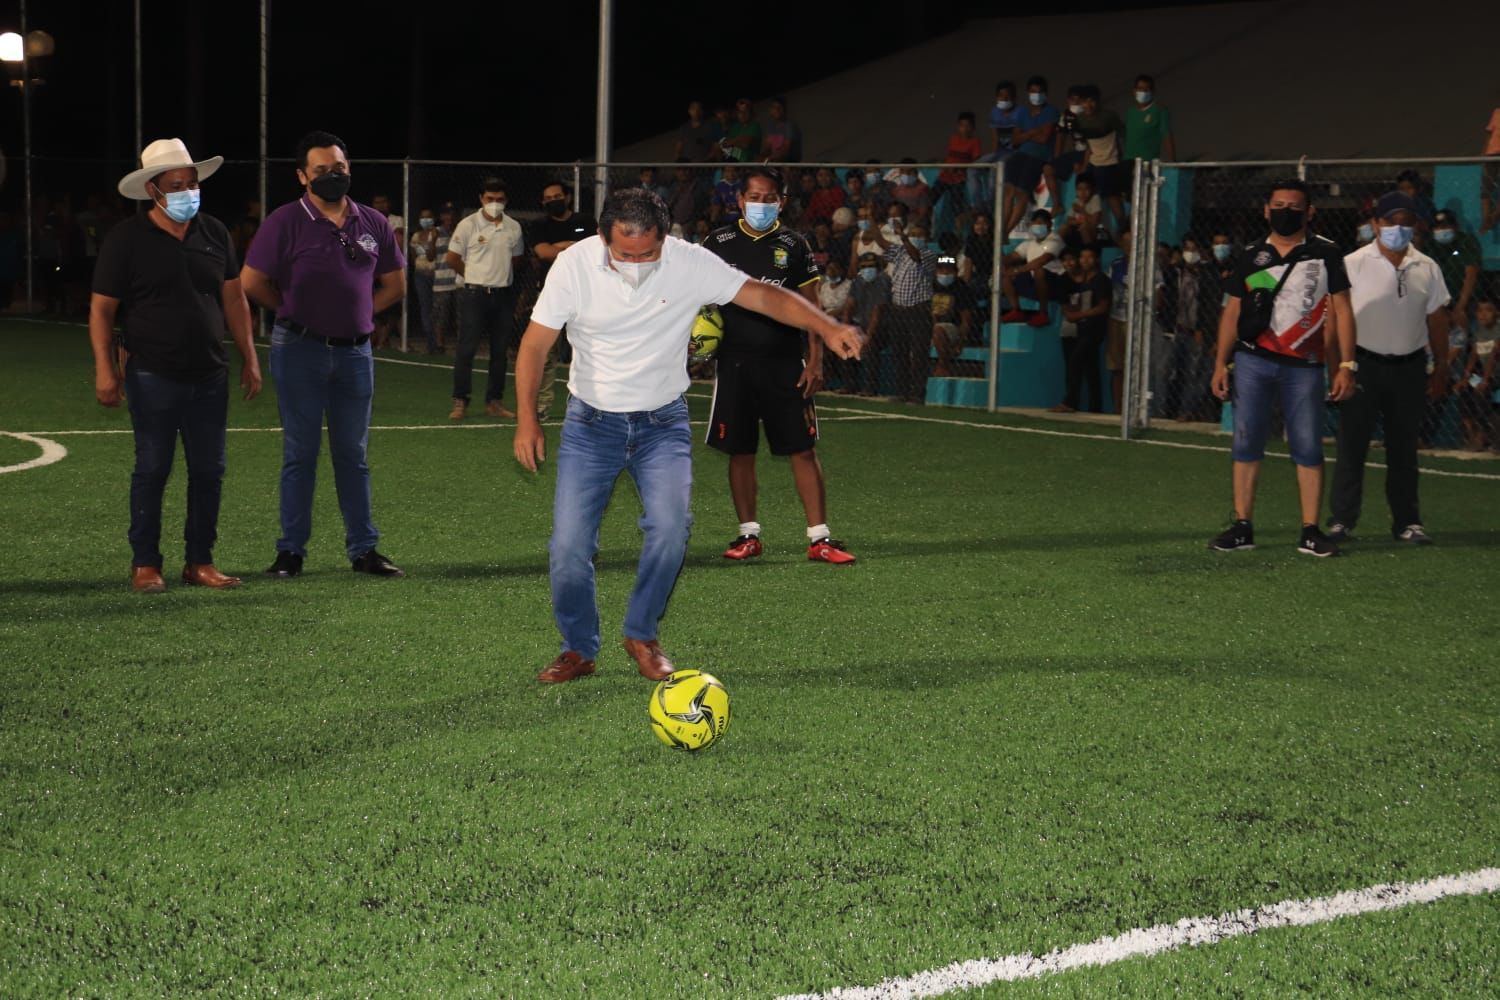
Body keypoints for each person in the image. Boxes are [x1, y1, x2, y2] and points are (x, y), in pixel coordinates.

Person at [510, 188, 864, 684]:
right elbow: (534, 346)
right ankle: (578, 648)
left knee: (672, 530)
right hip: (592, 425)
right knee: (568, 547)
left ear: (666, 237)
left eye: (648, 253)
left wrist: (825, 327)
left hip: (662, 423)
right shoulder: (572, 267)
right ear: (603, 237)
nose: (636, 263)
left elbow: (762, 295)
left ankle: (641, 633)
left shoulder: (689, 262)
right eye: (624, 254)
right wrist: (528, 419)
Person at [89, 138, 261, 593]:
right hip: (151, 373)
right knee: (152, 468)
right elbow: (103, 309)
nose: (188, 192)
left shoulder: (214, 232)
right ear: (153, 190)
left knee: (210, 471)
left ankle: (199, 561)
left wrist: (250, 356)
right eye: (177, 185)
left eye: (192, 183)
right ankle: (145, 563)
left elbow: (233, 297)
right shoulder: (125, 239)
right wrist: (105, 370)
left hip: (209, 373)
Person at [241, 130, 407, 579]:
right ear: (302, 176)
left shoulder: (373, 221)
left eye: (339, 169)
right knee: (301, 452)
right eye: (321, 171)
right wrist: (290, 312)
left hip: (355, 355)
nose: (332, 176)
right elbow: (252, 280)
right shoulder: (284, 222)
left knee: (353, 455)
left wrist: (360, 316)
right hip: (299, 350)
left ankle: (364, 550)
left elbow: (395, 284)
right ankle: (291, 551)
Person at [700, 167, 855, 566]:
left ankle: (820, 538)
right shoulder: (717, 242)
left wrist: (816, 360)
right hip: (733, 362)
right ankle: (748, 534)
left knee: (802, 448)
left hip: (787, 362)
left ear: (781, 202)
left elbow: (813, 307)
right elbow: (696, 300)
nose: (761, 204)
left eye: (769, 198)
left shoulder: (794, 243)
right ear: (739, 200)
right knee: (740, 450)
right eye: (754, 196)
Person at [1208, 179, 1355, 558]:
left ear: (1310, 213)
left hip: (1304, 365)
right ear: (1265, 209)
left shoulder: (1326, 253)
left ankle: (1310, 530)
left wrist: (1346, 364)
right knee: (1246, 442)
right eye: (1278, 204)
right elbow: (1232, 313)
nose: (1284, 211)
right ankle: (1242, 525)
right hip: (1253, 360)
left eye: (1293, 206)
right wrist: (1220, 363)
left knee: (1307, 446)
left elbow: (1342, 310)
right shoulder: (1252, 254)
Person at [1328, 191, 1451, 545]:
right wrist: (1337, 368)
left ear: (1416, 226)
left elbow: (1438, 320)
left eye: (1406, 222)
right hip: (1362, 364)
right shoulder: (1352, 264)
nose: (1398, 228)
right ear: (1374, 224)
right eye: (1390, 221)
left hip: (1410, 367)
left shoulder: (1427, 267)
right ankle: (1342, 520)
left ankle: (1407, 523)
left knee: (1404, 449)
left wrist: (1441, 366)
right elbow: (1335, 323)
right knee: (1352, 446)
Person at [445, 177, 525, 420]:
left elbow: (517, 259)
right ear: (481, 199)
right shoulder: (468, 225)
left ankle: (495, 402)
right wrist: (475, 277)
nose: (495, 203)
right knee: (466, 349)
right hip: (474, 295)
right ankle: (460, 401)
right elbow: (452, 258)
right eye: (490, 199)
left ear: (506, 200)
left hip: (502, 296)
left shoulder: (514, 227)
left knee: (500, 352)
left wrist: (499, 276)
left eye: (500, 199)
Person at [529, 182, 598, 421]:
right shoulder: (539, 225)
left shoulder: (586, 221)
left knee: (591, 350)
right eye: (548, 198)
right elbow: (543, 252)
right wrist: (571, 248)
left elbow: (595, 251)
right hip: (550, 295)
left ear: (567, 197)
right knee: (545, 353)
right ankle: (541, 406)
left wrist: (558, 248)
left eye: (557, 196)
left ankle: (593, 404)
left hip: (587, 294)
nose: (553, 201)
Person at [869, 209, 938, 402]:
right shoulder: (900, 252)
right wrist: (873, 220)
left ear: (926, 238)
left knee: (918, 353)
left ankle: (917, 393)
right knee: (899, 352)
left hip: (918, 310)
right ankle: (902, 391)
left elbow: (915, 255)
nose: (915, 237)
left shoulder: (930, 255)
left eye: (919, 235)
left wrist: (904, 236)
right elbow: (881, 242)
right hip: (898, 309)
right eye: (913, 234)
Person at [1162, 236, 1219, 421]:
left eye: (1193, 249)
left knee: (1193, 375)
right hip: (1176, 329)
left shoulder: (1208, 275)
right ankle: (1166, 410)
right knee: (1169, 372)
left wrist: (1203, 328)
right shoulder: (1175, 273)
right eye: (1186, 248)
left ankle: (1186, 411)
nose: (1190, 253)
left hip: (1197, 331)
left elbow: (1209, 304)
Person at [1052, 246, 1112, 413]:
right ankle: (1095, 407)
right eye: (1082, 257)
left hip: (1094, 328)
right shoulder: (1086, 281)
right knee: (1090, 367)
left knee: (1076, 360)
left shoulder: (1100, 280)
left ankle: (1070, 401)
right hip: (1084, 327)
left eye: (1089, 257)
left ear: (1096, 259)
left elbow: (1102, 307)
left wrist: (1079, 315)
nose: (1085, 261)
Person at [1004, 76, 1059, 236]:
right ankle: (1000, 228)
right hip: (1021, 154)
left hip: (1039, 157)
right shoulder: (1022, 112)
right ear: (1028, 93)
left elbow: (1044, 139)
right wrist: (1034, 131)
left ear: (1046, 93)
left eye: (1040, 91)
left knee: (1022, 193)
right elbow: (1015, 139)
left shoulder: (1051, 111)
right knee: (1008, 191)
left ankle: (1006, 231)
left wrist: (1025, 135)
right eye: (1033, 91)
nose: (1037, 95)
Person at [1000, 209, 1065, 328]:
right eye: (1035, 223)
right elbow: (1013, 256)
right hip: (1033, 282)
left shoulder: (1055, 240)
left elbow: (1041, 261)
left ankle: (1043, 313)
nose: (1037, 226)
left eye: (1041, 223)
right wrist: (1000, 261)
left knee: (1038, 271)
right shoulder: (1030, 243)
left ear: (1049, 224)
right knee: (1005, 275)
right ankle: (1016, 311)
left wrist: (1017, 270)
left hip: (1055, 283)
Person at [842, 251, 891, 395]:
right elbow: (849, 306)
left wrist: (868, 335)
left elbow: (878, 310)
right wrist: (844, 329)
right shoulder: (858, 281)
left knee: (872, 343)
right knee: (848, 341)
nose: (867, 269)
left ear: (878, 267)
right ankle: (849, 385)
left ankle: (870, 387)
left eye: (871, 266)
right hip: (861, 324)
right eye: (864, 266)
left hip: (881, 327)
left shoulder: (883, 280)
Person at [1429, 209, 1481, 331]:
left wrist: (1460, 307)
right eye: (1438, 227)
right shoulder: (1430, 244)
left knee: (1463, 322)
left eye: (1445, 226)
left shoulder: (1466, 241)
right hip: (1438, 301)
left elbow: (1471, 275)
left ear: (1455, 227)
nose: (1441, 230)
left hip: (1466, 299)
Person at [930, 254, 979, 377]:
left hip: (952, 328)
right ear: (936, 271)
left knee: (938, 330)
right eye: (941, 269)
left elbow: (966, 319)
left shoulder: (961, 288)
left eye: (949, 269)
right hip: (929, 326)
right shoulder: (930, 286)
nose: (945, 273)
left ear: (956, 272)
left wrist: (961, 340)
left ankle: (943, 366)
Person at [429, 202, 461, 354]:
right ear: (441, 216)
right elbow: (429, 257)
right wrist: (433, 240)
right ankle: (440, 345)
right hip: (441, 282)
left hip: (460, 280)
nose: (449, 217)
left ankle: (461, 345)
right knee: (441, 316)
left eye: (452, 213)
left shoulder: (462, 231)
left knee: (461, 316)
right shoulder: (435, 232)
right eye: (446, 213)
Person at [934, 111, 982, 214]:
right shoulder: (953, 139)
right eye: (962, 125)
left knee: (957, 207)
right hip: (945, 176)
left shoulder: (975, 142)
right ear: (958, 126)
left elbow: (976, 162)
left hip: (959, 179)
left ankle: (960, 228)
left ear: (973, 128)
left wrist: (958, 168)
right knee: (930, 199)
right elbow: (949, 157)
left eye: (967, 125)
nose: (964, 128)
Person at [408, 206, 441, 353]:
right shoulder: (415, 236)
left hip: (435, 274)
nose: (425, 220)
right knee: (425, 308)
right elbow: (414, 258)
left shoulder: (437, 234)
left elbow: (431, 256)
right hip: (420, 275)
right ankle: (430, 342)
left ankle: (438, 341)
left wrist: (433, 240)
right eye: (423, 217)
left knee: (436, 308)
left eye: (428, 217)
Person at [1124, 74, 1176, 163]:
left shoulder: (1160, 110)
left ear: (1153, 92)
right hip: (1129, 160)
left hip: (1148, 161)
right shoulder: (1130, 111)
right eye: (1140, 89)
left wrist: (1173, 161)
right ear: (1134, 91)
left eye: (1146, 89)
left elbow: (1166, 136)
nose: (1143, 92)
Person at [759, 96, 802, 162]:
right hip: (775, 163)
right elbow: (767, 148)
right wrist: (761, 157)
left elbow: (785, 150)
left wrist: (770, 158)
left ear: (784, 110)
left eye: (779, 107)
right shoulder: (771, 127)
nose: (777, 110)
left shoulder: (790, 126)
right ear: (770, 110)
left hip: (789, 164)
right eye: (774, 107)